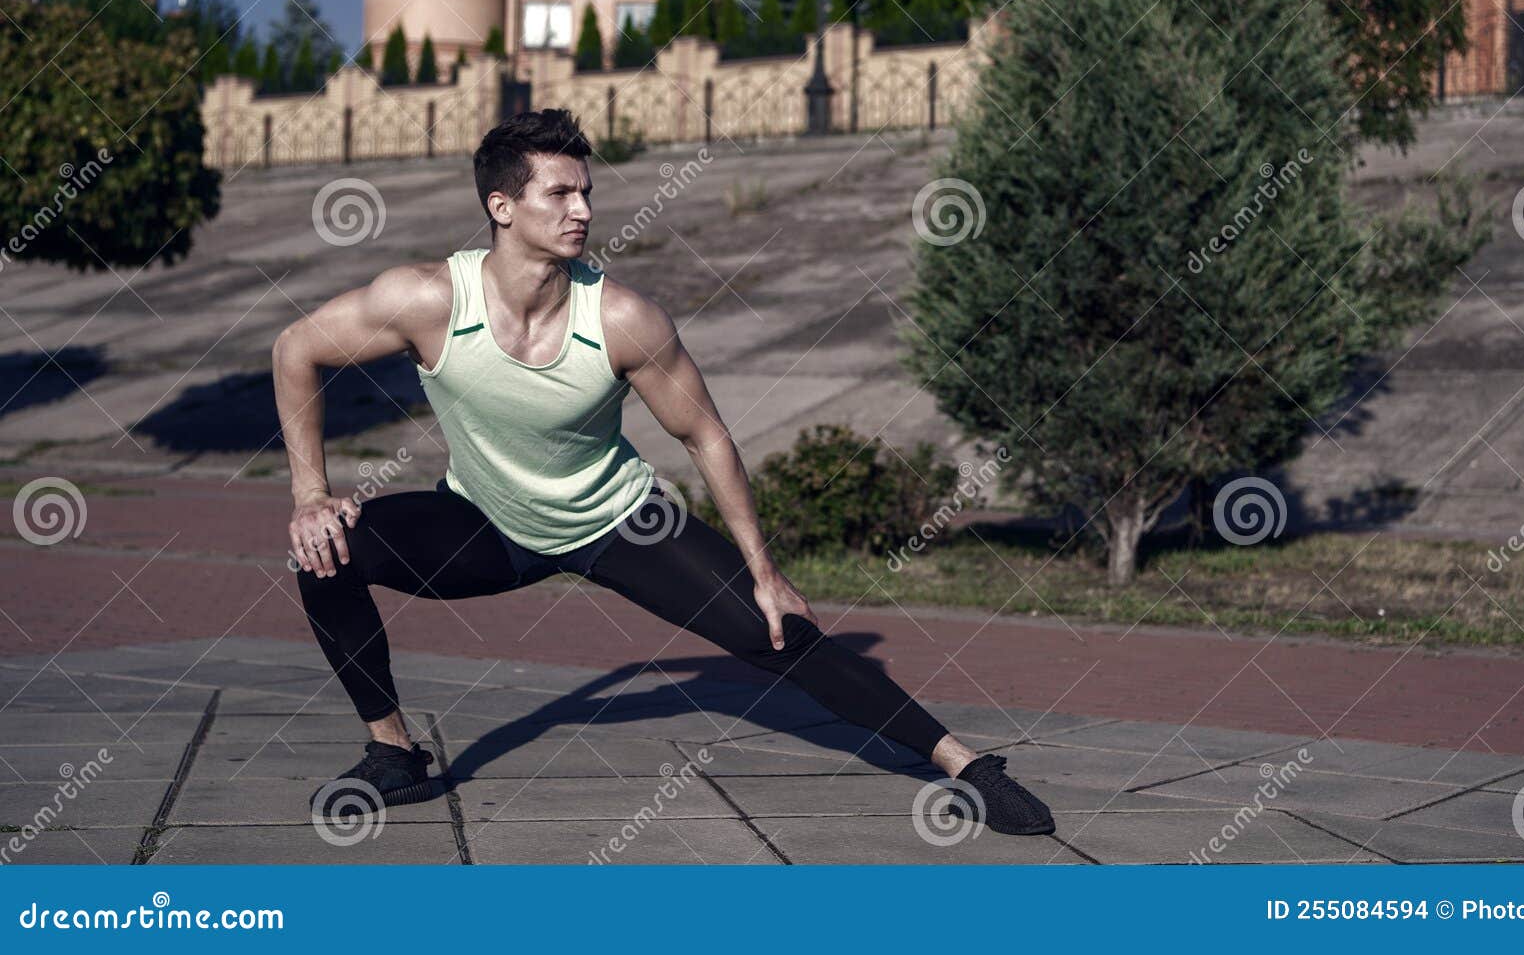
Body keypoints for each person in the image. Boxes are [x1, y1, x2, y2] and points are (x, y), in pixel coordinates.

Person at [272, 108, 1053, 836]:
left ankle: (964, 763)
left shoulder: (620, 317)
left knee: (776, 631)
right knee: (322, 553)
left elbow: (705, 435)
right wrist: (311, 494)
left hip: (619, 521)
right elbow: (294, 349)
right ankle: (394, 754)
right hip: (487, 523)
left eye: (587, 191)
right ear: (502, 206)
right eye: (560, 193)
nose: (581, 209)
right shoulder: (427, 298)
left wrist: (764, 568)